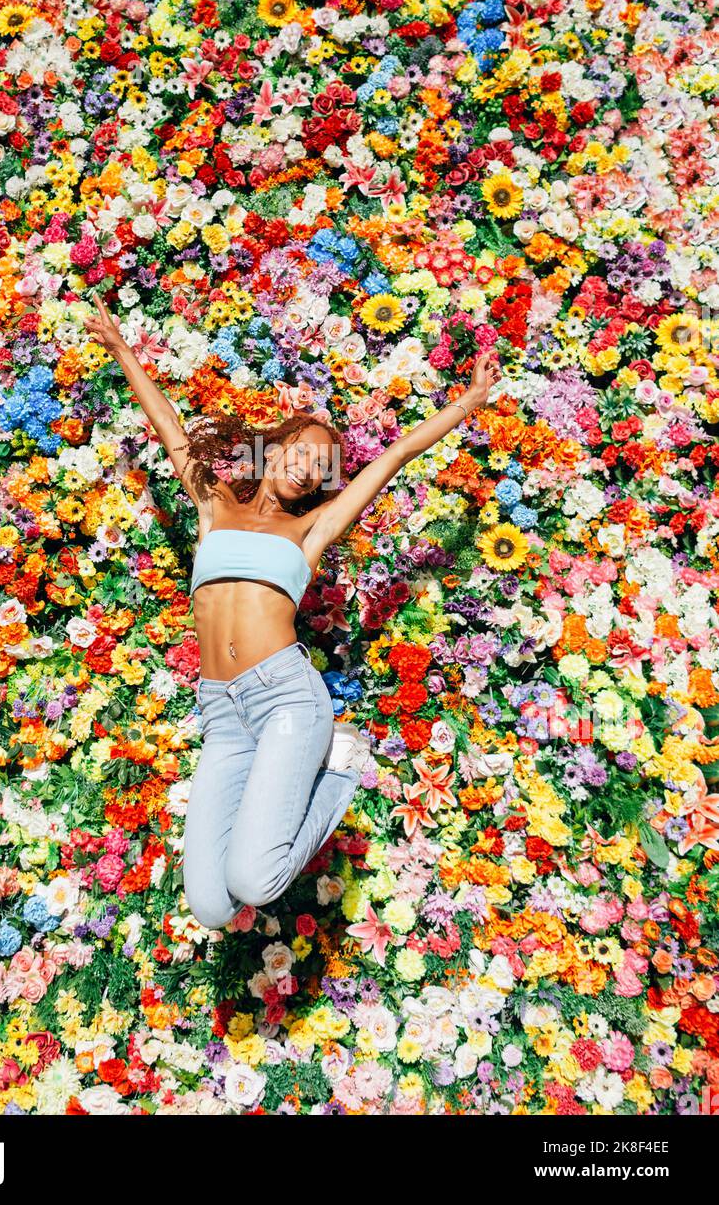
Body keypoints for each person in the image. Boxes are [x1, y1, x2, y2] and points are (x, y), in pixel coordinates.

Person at [82, 292, 499, 929]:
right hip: (221, 709)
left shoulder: (311, 531)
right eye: (300, 451)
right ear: (272, 451)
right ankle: (294, 800)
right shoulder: (215, 504)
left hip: (284, 698)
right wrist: (120, 350)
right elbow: (168, 429)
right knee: (212, 908)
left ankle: (340, 771)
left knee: (255, 880)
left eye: (322, 467)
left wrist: (466, 404)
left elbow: (392, 459)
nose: (307, 469)